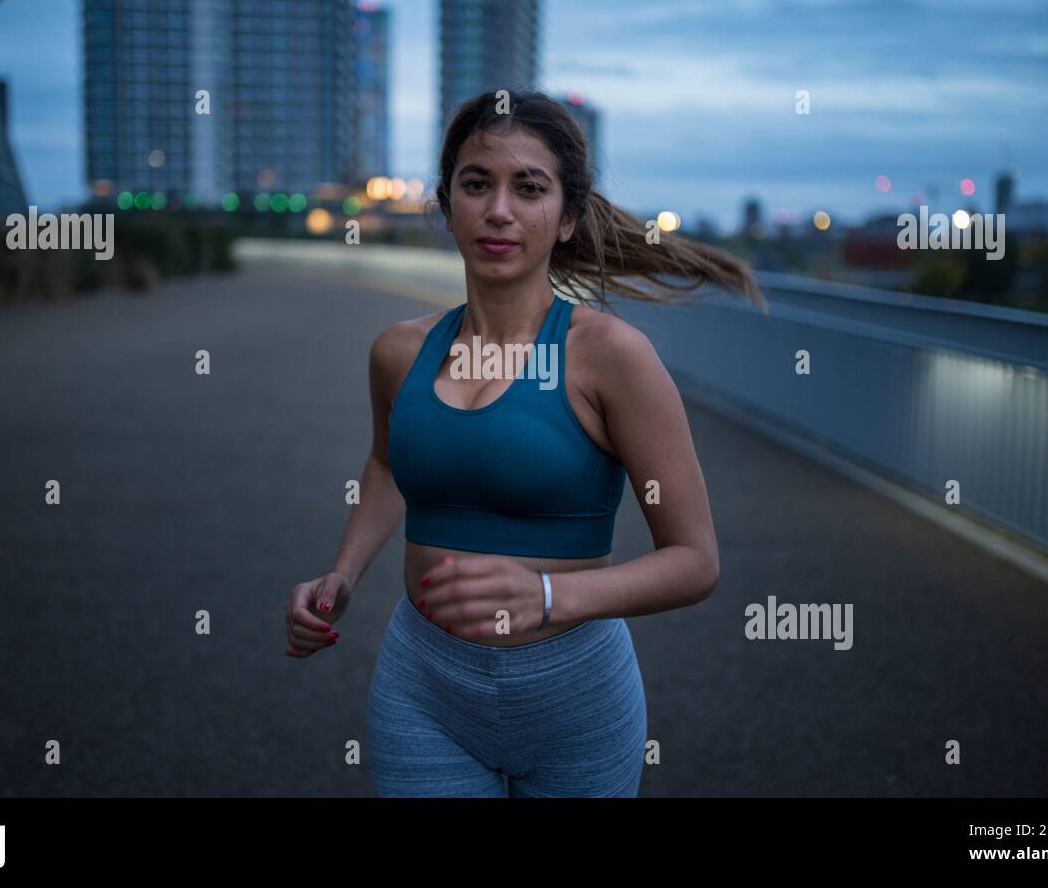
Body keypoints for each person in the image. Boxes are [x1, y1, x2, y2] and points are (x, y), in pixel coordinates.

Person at [286, 87, 766, 797]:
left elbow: (696, 562)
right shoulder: (398, 352)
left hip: (577, 698)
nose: (499, 210)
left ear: (567, 216)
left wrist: (547, 593)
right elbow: (389, 466)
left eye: (529, 188)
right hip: (422, 687)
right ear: (446, 204)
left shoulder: (611, 356)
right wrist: (343, 573)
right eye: (476, 184)